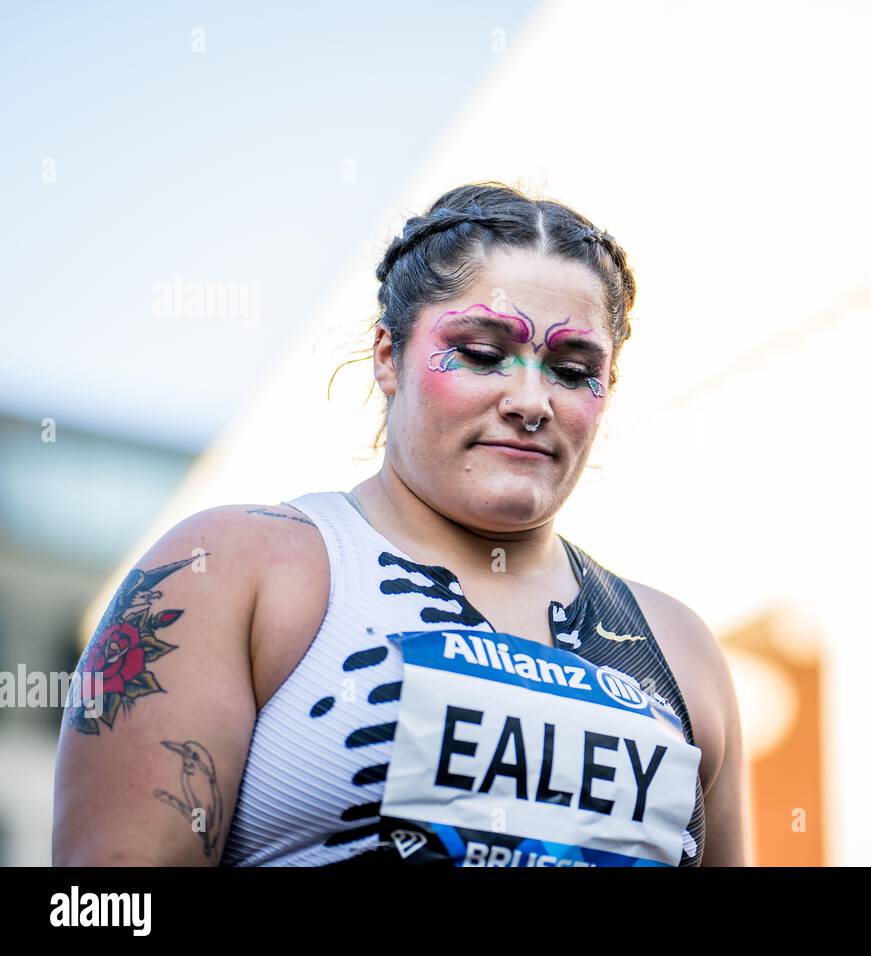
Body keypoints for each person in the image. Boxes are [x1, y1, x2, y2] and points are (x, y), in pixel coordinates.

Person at [51, 181, 748, 867]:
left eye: (572, 369)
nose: (531, 400)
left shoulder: (681, 651)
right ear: (388, 356)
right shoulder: (234, 570)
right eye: (481, 354)